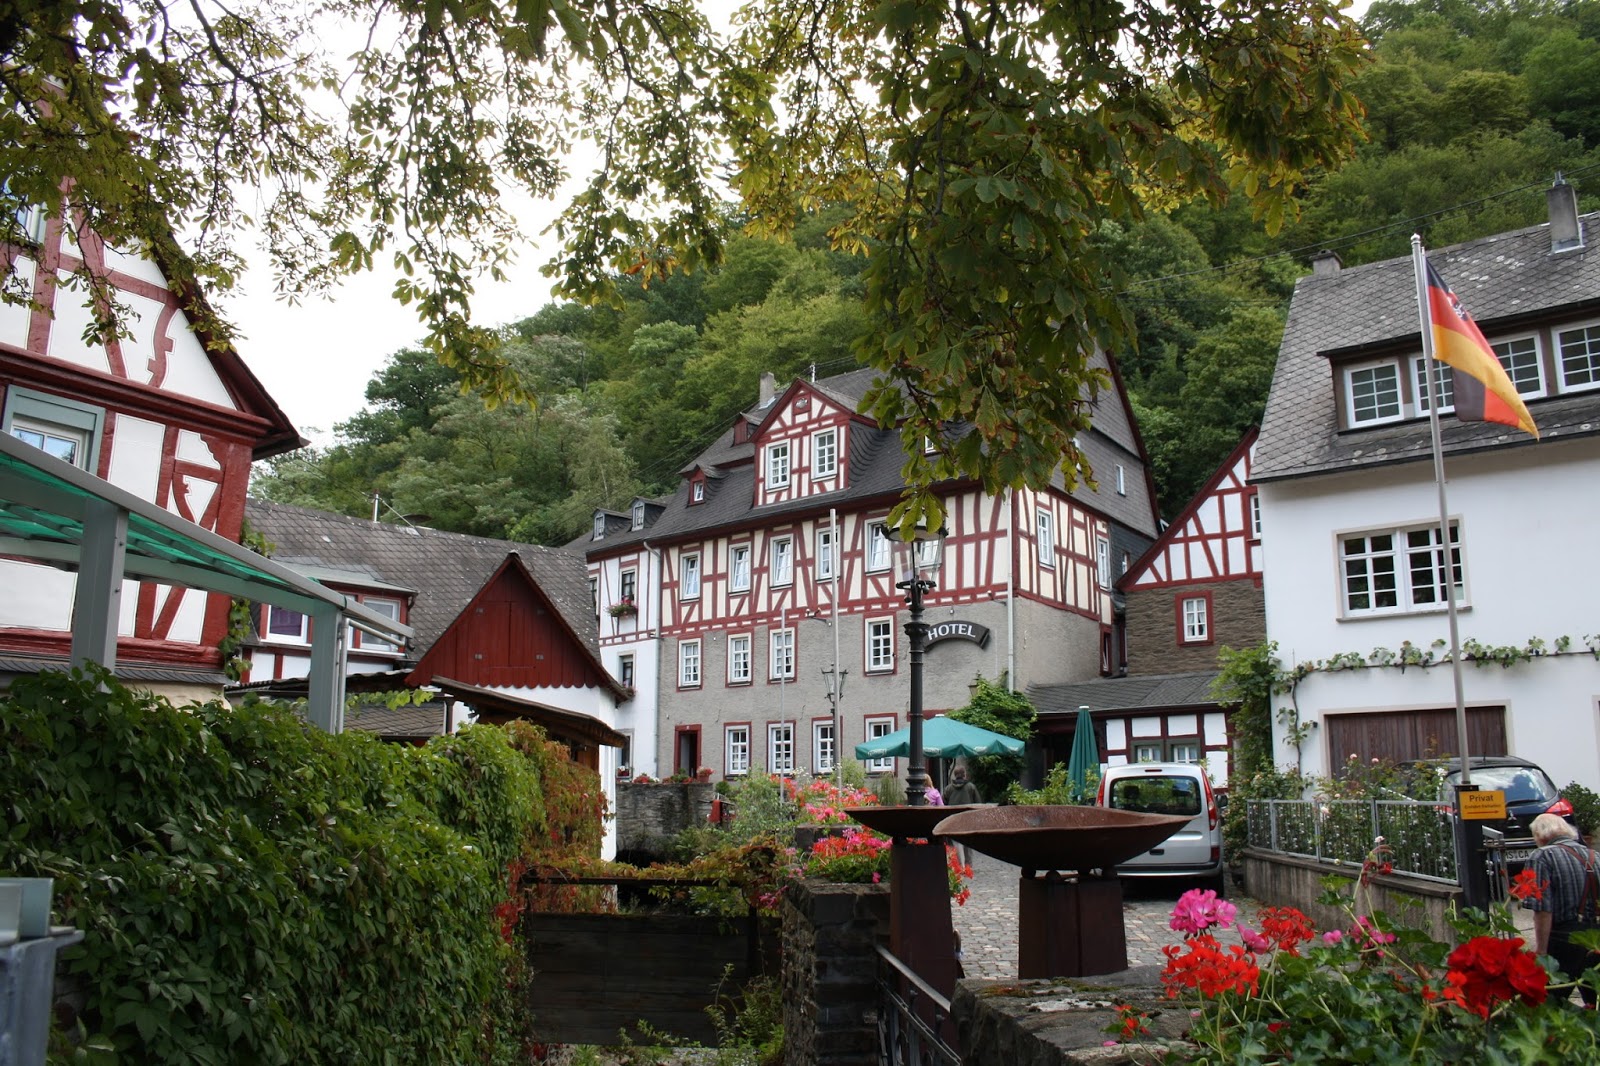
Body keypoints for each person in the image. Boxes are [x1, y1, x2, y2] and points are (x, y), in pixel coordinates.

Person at [1529, 812, 1600, 1006]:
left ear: (1539, 836)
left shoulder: (1541, 856)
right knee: (1595, 1004)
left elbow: (1543, 909)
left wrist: (1541, 951)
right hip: (1596, 940)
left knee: (1550, 1004)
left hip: (1563, 938)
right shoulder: (1595, 856)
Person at [944, 765, 982, 864]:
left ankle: (957, 865)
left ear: (955, 775)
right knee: (968, 843)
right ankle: (968, 865)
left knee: (954, 842)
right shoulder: (971, 787)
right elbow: (978, 803)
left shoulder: (948, 788)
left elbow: (944, 804)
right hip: (967, 819)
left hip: (953, 820)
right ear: (964, 775)